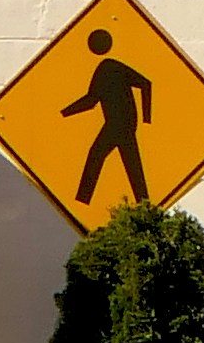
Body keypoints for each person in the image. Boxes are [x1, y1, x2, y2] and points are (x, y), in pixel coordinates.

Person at [62, 28, 152, 208]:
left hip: (119, 124)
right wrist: (65, 112)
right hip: (120, 124)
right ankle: (145, 205)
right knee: (131, 165)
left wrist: (147, 118)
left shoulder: (109, 67)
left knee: (97, 154)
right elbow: (91, 101)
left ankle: (83, 199)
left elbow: (146, 84)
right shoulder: (106, 68)